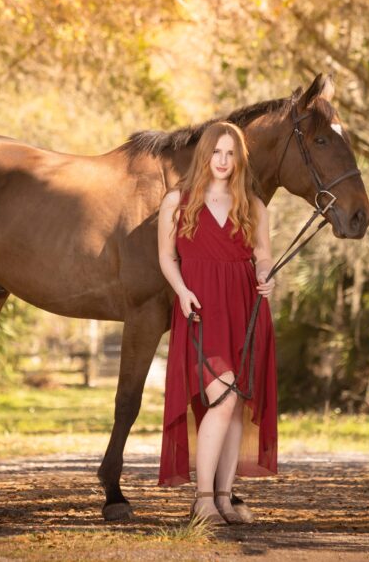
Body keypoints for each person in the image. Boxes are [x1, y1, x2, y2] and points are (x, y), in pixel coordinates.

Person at [156, 121, 278, 525]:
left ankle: (225, 498)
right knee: (222, 398)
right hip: (200, 307)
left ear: (239, 158)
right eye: (217, 152)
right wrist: (182, 291)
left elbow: (262, 255)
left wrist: (265, 276)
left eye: (231, 153)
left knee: (236, 404)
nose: (223, 161)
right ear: (204, 154)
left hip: (245, 306)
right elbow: (167, 258)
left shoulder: (253, 205)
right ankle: (203, 498)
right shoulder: (178, 200)